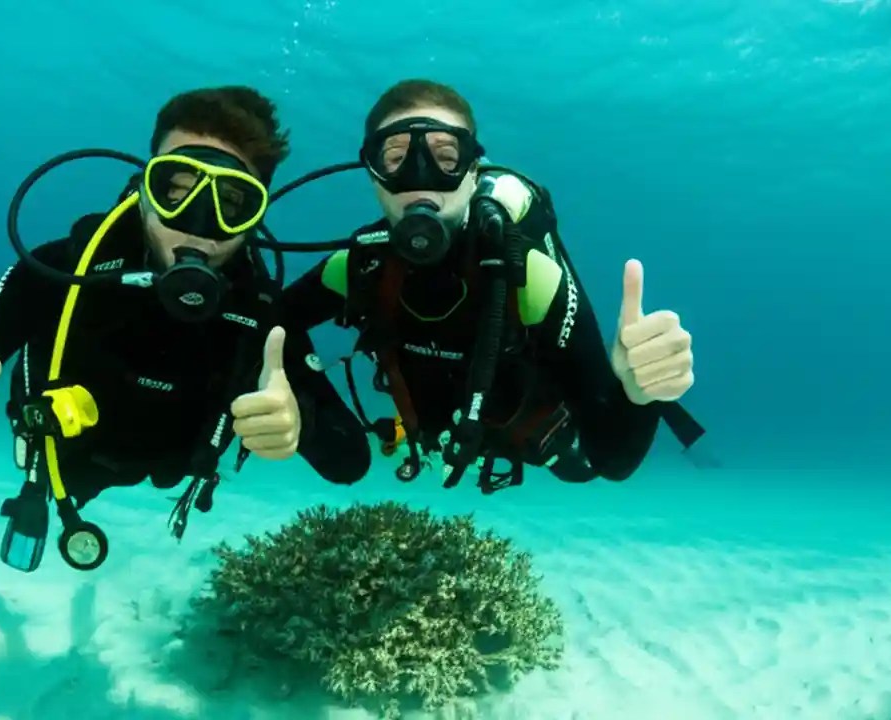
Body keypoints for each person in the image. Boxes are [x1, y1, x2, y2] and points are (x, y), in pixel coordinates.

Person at [0, 85, 371, 573]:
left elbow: (349, 461)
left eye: (232, 201)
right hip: (67, 462)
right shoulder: (63, 271)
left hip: (174, 465)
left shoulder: (259, 312)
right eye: (176, 189)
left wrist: (301, 425)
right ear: (144, 189)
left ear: (255, 217)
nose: (198, 225)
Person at [281, 79, 704, 493]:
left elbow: (612, 460)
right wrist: (312, 416)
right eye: (394, 156)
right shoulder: (360, 267)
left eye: (446, 156)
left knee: (576, 467)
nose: (419, 175)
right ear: (374, 178)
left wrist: (637, 396)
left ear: (472, 173)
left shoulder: (530, 279)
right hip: (435, 427)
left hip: (526, 432)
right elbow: (270, 326)